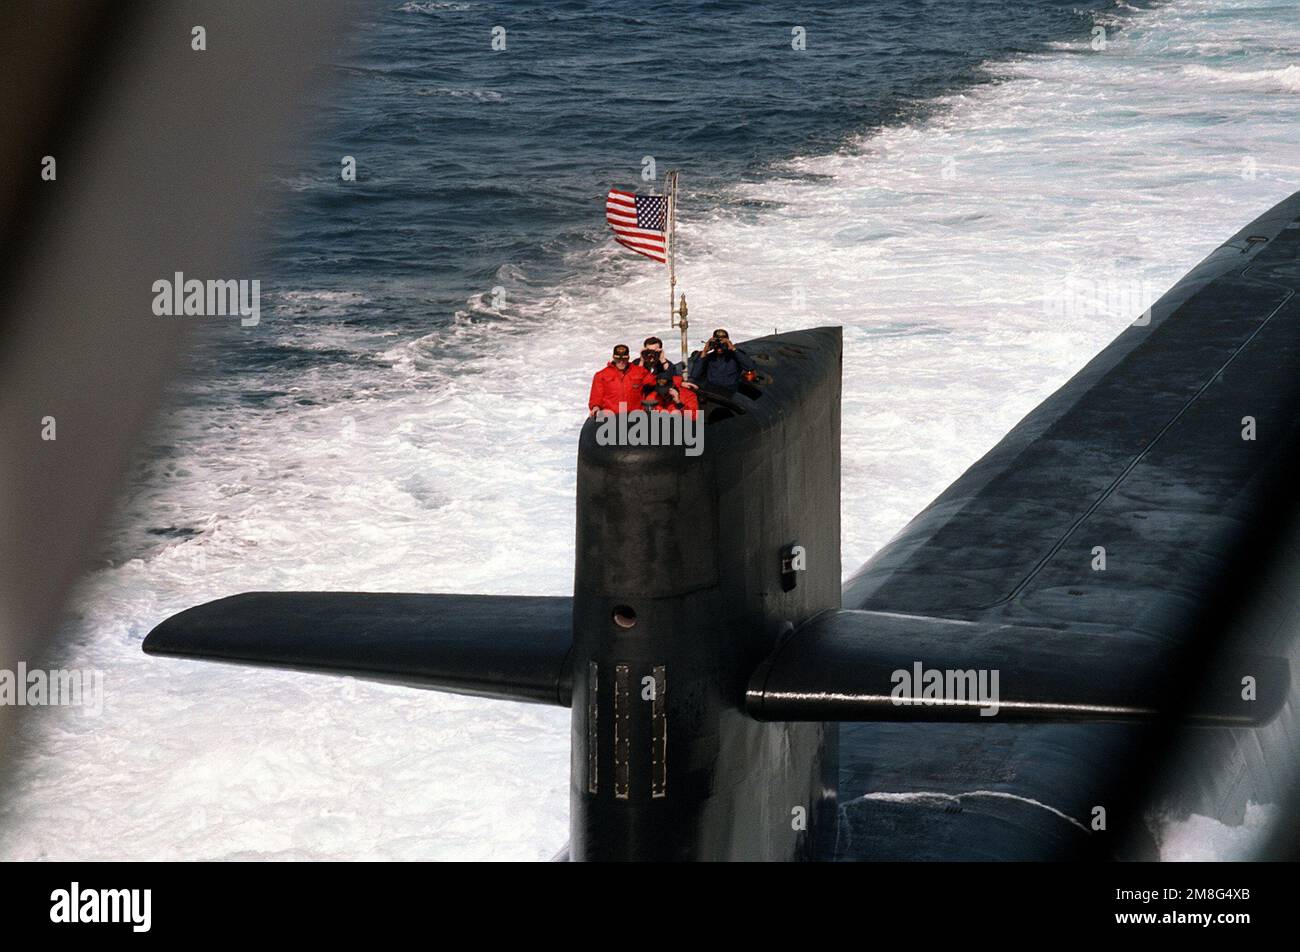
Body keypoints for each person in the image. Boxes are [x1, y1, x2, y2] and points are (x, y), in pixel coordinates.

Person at [687, 328, 754, 393]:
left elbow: (750, 367)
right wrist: (704, 351)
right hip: (711, 391)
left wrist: (733, 349)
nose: (719, 349)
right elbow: (695, 374)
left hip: (729, 392)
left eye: (722, 345)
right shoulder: (710, 357)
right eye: (717, 346)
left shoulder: (735, 356)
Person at [588, 344, 648, 416]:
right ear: (613, 358)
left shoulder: (640, 372)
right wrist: (595, 408)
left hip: (634, 418)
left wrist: (651, 359)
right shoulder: (601, 375)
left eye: (624, 359)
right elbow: (596, 398)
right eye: (618, 359)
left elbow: (656, 383)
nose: (621, 362)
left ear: (628, 358)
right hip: (611, 419)